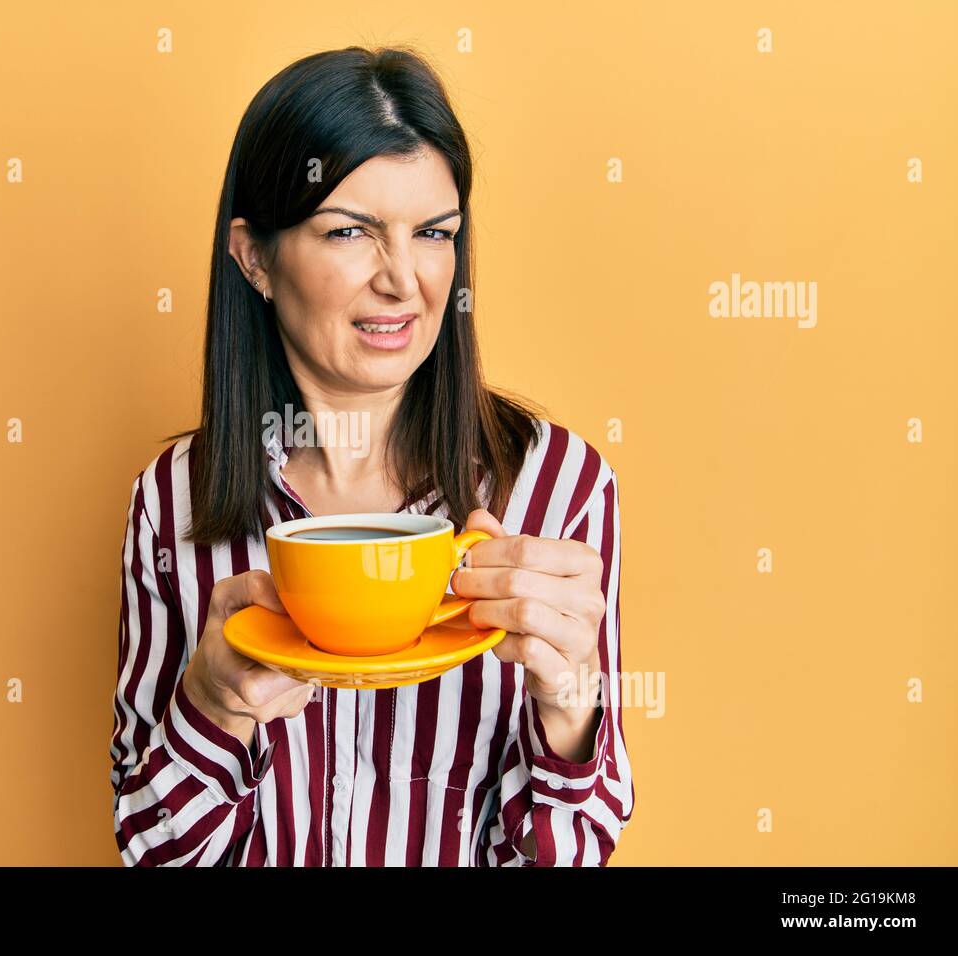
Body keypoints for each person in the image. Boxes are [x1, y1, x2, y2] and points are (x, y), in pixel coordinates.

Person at [109, 45, 634, 866]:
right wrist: (211, 706)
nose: (403, 281)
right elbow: (153, 847)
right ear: (254, 258)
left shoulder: (561, 490)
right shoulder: (171, 503)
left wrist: (568, 702)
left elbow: (564, 856)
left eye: (433, 233)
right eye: (350, 231)